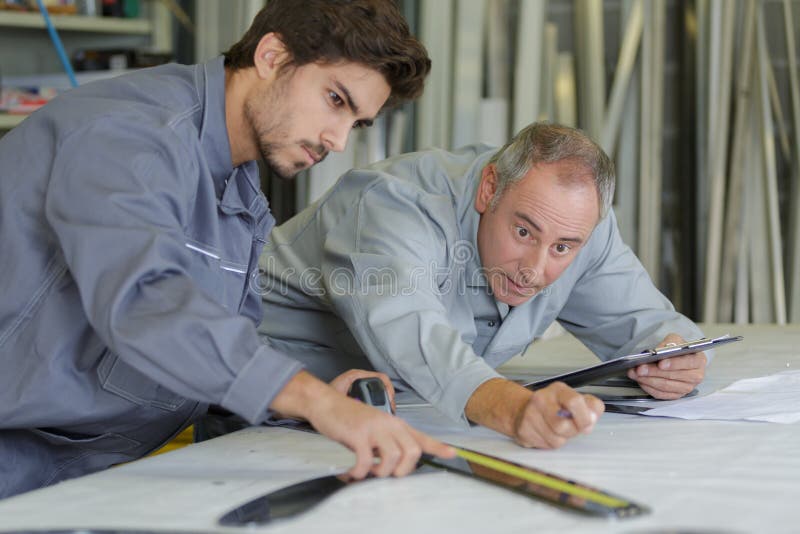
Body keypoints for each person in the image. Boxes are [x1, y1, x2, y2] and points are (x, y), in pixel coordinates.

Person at [0, 0, 454, 500]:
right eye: (335, 99)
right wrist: (314, 401)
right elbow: (145, 301)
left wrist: (308, 399)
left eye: (357, 122)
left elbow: (200, 355)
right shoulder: (132, 135)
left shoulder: (239, 194)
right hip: (22, 465)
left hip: (92, 470)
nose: (338, 140)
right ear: (272, 56)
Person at [256, 122, 709, 449]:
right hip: (261, 407)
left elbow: (650, 323)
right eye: (523, 232)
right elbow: (411, 328)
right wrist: (513, 408)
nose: (534, 270)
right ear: (489, 189)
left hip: (389, 415)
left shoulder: (575, 222)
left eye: (562, 248)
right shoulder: (393, 205)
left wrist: (676, 359)